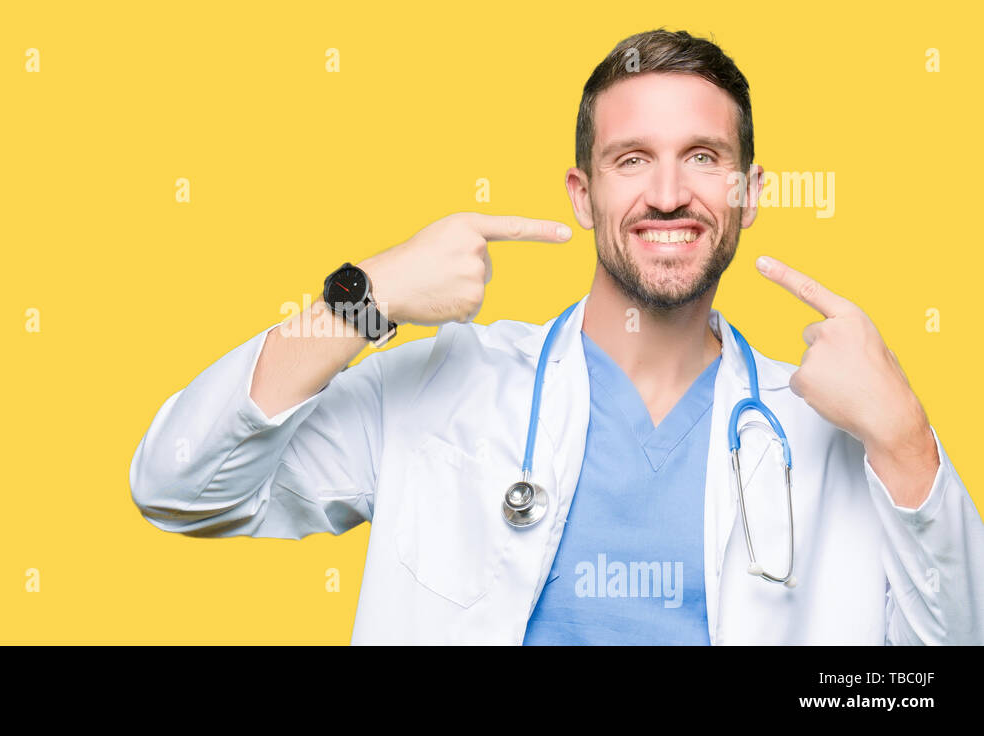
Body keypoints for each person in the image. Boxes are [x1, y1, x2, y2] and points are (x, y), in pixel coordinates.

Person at [128, 29, 984, 644]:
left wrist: (907, 438)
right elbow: (181, 487)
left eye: (702, 157)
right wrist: (366, 298)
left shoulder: (831, 427)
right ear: (581, 194)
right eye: (631, 159)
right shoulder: (449, 390)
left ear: (750, 193)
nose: (669, 193)